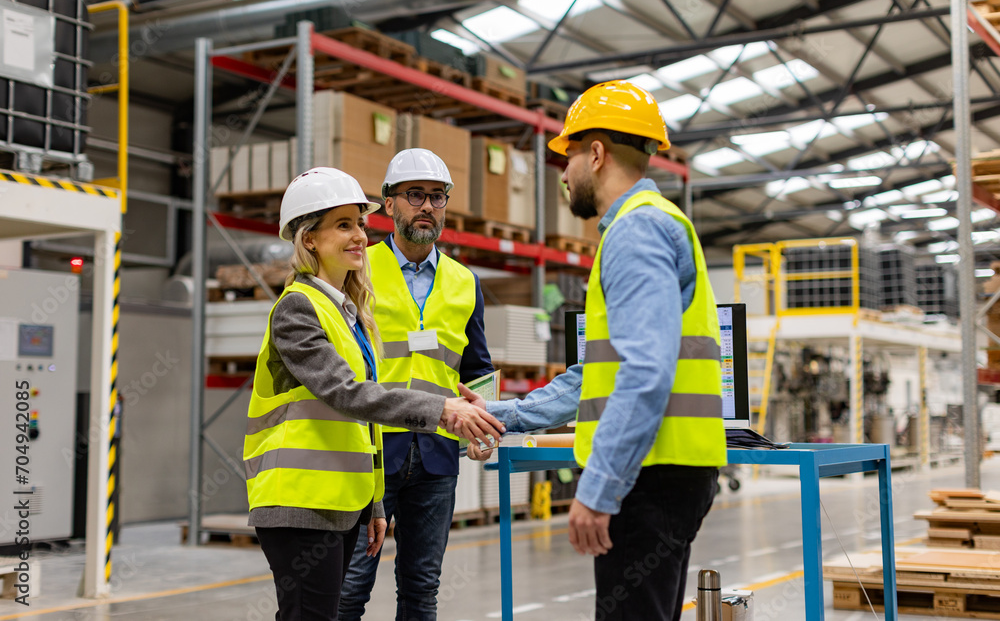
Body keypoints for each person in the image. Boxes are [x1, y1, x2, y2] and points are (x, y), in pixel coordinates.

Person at [461, 81, 728, 621]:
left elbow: (645, 373)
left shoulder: (636, 231)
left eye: (570, 157)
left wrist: (600, 489)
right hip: (666, 470)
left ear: (598, 154)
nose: (564, 175)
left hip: (648, 478)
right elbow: (594, 377)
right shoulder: (648, 226)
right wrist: (500, 414)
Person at [243, 167, 504, 621]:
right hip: (303, 498)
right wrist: (441, 409)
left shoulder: (345, 308)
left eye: (359, 224)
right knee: (336, 605)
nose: (360, 235)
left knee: (417, 590)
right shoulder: (299, 307)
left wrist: (373, 503)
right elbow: (349, 394)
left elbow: (359, 420)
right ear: (309, 239)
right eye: (344, 225)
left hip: (361, 487)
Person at [340, 149, 495, 621]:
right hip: (369, 450)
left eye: (437, 197)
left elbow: (477, 368)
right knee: (349, 589)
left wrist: (483, 425)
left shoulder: (464, 282)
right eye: (414, 196)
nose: (427, 207)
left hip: (437, 455)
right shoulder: (356, 269)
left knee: (422, 589)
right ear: (389, 204)